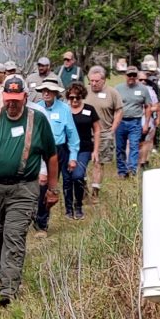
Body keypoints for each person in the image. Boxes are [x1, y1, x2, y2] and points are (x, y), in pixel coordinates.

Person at [0, 76, 57, 310]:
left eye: (16, 100)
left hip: (24, 187)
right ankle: (4, 276)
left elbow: (51, 155)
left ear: (25, 98)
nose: (12, 104)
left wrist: (52, 189)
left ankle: (9, 289)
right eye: (8, 99)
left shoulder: (37, 120)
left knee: (14, 235)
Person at [32, 77, 79, 232]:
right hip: (39, 150)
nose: (46, 93)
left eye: (49, 91)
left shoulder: (64, 109)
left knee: (50, 186)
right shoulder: (37, 108)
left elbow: (71, 133)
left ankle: (42, 224)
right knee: (38, 186)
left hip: (58, 150)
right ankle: (35, 217)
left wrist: (73, 156)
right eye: (43, 90)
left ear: (55, 93)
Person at [83, 65, 119, 196]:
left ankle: (95, 192)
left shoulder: (112, 93)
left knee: (98, 162)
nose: (93, 83)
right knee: (83, 163)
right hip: (85, 134)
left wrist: (113, 128)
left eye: (96, 81)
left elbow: (119, 110)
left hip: (104, 134)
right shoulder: (84, 92)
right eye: (91, 81)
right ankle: (83, 189)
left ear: (103, 80)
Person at [63, 83, 97, 219]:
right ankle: (68, 209)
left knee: (77, 176)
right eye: (72, 98)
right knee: (67, 179)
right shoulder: (64, 110)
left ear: (82, 97)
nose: (75, 100)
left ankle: (78, 206)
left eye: (78, 97)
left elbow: (97, 129)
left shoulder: (89, 109)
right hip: (65, 149)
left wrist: (95, 150)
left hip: (83, 149)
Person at [114, 66, 152, 178]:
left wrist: (146, 124)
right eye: (129, 75)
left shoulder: (143, 89)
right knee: (120, 147)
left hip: (135, 121)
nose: (131, 77)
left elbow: (148, 107)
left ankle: (132, 169)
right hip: (121, 121)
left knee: (134, 146)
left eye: (134, 75)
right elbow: (112, 106)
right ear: (125, 75)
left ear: (137, 76)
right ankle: (122, 171)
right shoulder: (118, 88)